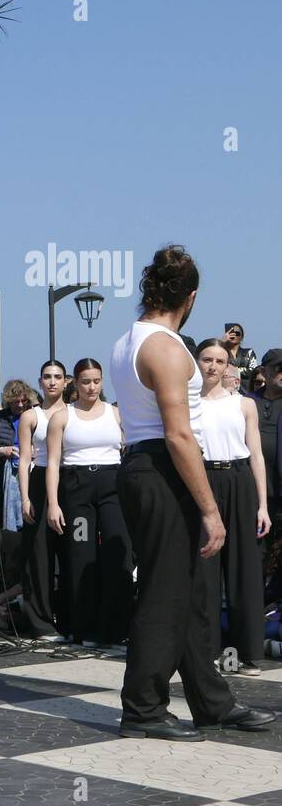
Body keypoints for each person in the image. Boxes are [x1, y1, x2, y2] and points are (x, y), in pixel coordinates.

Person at [109, 244, 272, 740]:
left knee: (194, 595)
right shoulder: (166, 347)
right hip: (163, 469)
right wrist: (211, 511)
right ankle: (143, 709)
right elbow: (180, 435)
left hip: (145, 465)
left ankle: (211, 702)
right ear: (192, 297)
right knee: (165, 593)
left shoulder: (127, 340)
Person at [45, 359, 133, 649]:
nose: (91, 387)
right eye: (85, 382)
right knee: (82, 556)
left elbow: (129, 452)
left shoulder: (116, 414)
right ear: (76, 383)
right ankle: (86, 628)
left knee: (117, 553)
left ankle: (117, 628)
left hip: (112, 487)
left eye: (96, 381)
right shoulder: (62, 417)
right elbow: (53, 462)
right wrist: (54, 504)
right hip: (77, 489)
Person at [197, 339, 270, 675]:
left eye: (220, 361)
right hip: (203, 481)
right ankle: (207, 651)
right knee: (205, 571)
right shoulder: (186, 403)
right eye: (207, 359)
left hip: (240, 480)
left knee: (245, 570)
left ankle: (250, 652)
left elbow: (255, 454)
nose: (213, 366)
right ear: (197, 362)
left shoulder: (244, 405)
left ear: (229, 365)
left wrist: (262, 505)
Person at [16, 360, 68, 640]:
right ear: (40, 381)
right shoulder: (30, 416)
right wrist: (24, 498)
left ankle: (70, 617)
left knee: (68, 553)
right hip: (38, 482)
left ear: (65, 381)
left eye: (57, 377)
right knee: (38, 555)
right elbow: (24, 460)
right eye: (47, 377)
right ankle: (39, 621)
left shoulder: (73, 412)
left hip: (68, 481)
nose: (52, 382)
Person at [246, 348, 282, 602]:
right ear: (265, 371)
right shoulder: (248, 403)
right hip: (255, 495)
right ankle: (253, 613)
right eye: (279, 369)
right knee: (254, 557)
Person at [0, 379, 32, 523]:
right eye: (16, 401)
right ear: (8, 400)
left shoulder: (35, 416)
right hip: (2, 478)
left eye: (23, 401)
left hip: (30, 474)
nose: (20, 405)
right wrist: (2, 450)